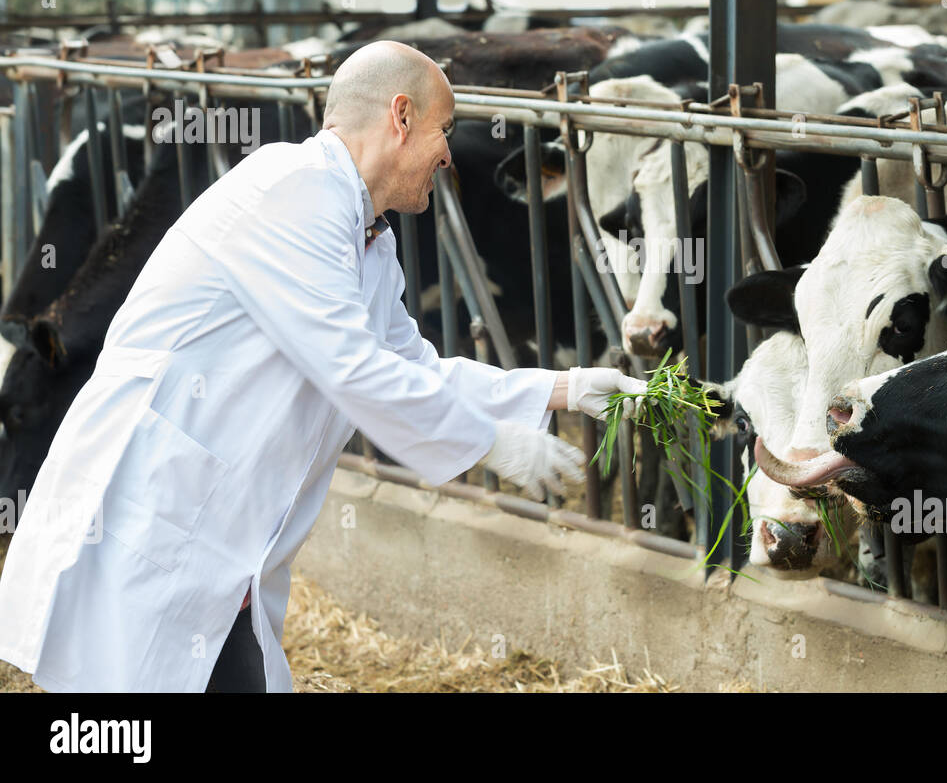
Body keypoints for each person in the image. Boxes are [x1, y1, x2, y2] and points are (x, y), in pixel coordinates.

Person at [0, 41, 645, 692]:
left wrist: (564, 387)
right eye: (443, 131)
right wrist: (493, 442)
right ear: (400, 117)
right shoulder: (294, 194)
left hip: (216, 549)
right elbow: (355, 369)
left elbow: (414, 368)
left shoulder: (367, 240)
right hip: (148, 525)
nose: (450, 153)